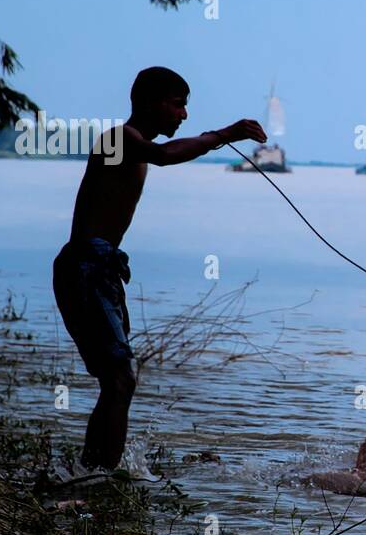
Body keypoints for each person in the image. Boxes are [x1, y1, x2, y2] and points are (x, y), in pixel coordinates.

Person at [53, 66, 266, 471]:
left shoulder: (134, 144)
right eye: (178, 105)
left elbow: (161, 153)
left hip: (101, 269)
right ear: (151, 102)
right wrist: (223, 135)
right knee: (120, 380)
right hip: (86, 266)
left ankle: (92, 470)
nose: (183, 115)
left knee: (117, 381)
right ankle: (101, 476)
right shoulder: (118, 140)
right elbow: (166, 156)